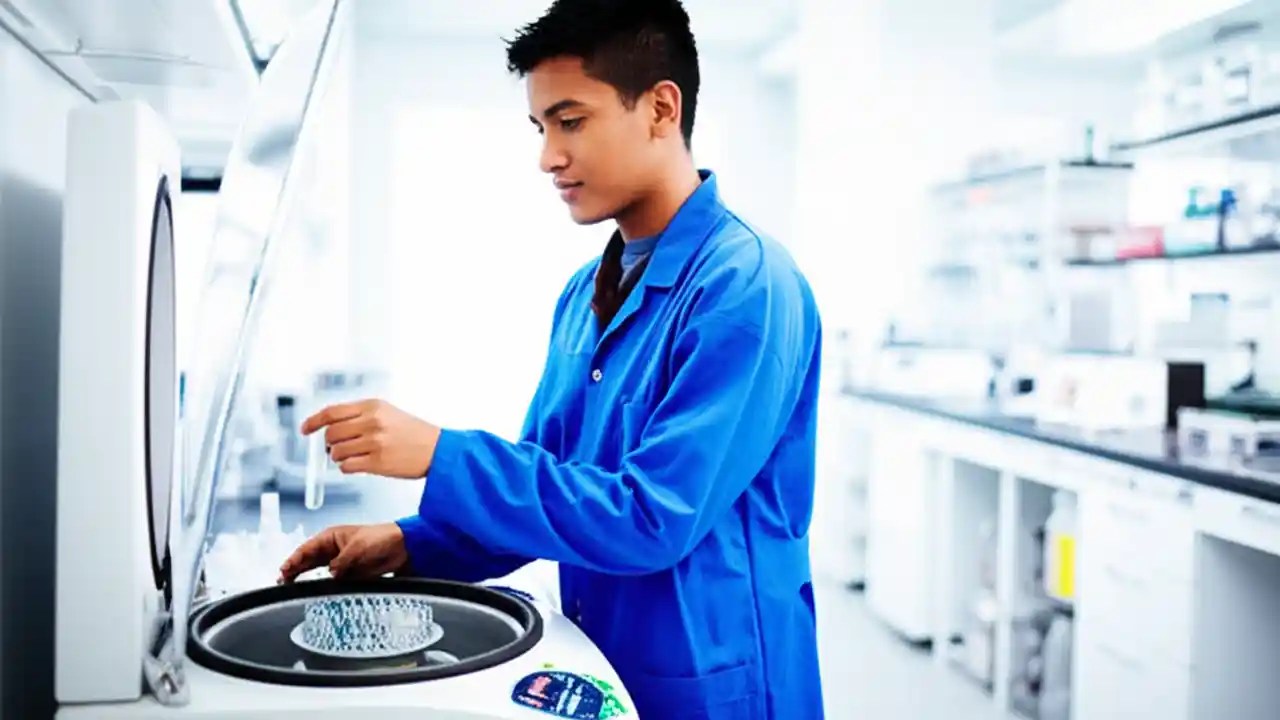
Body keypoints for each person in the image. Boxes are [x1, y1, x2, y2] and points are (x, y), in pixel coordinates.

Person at [278, 0, 824, 716]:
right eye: (541, 128)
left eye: (571, 121)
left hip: (722, 687)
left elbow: (651, 517)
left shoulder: (746, 286)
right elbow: (552, 493)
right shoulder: (583, 296)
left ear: (661, 108)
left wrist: (441, 454)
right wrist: (408, 545)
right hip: (610, 666)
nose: (548, 157)